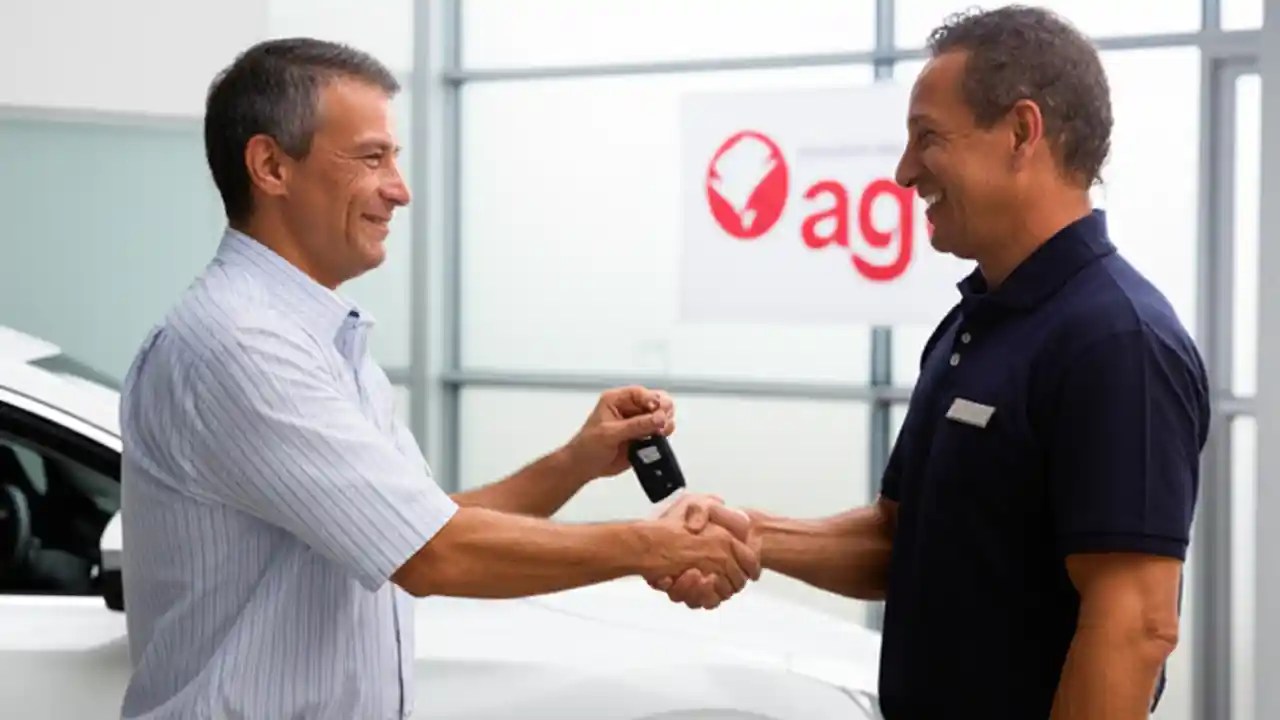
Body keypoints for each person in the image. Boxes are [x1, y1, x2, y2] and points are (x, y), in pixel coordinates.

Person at [117, 38, 757, 720]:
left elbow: (421, 522)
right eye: (372, 157)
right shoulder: (238, 346)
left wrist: (576, 462)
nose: (400, 188)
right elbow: (434, 554)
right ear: (271, 165)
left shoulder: (320, 340)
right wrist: (652, 545)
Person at [654, 6, 1210, 720]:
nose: (904, 171)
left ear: (1020, 133)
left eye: (928, 139)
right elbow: (899, 539)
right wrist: (751, 534)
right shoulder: (973, 325)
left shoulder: (1118, 342)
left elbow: (1135, 625)